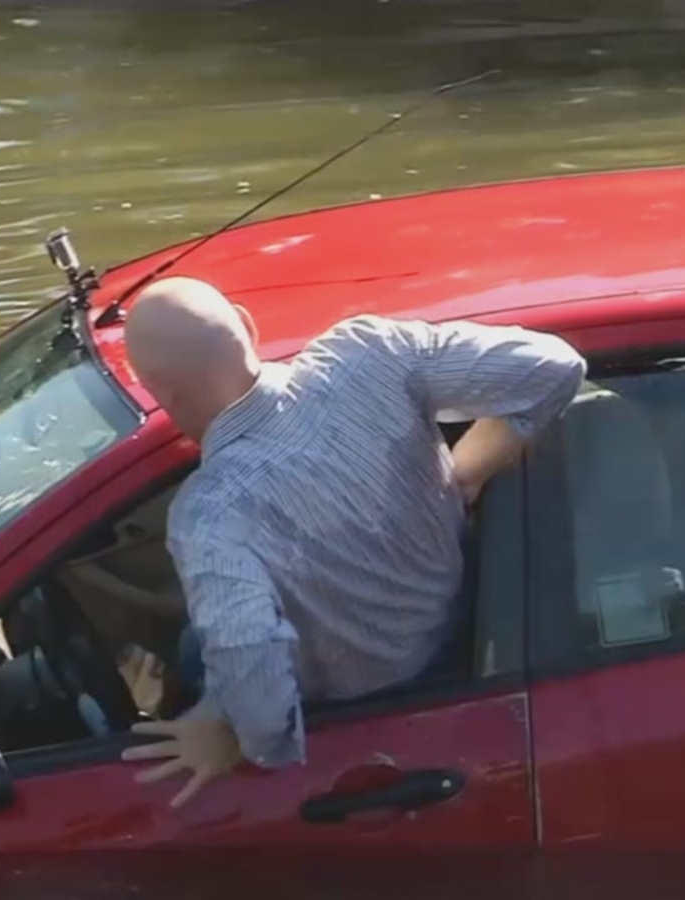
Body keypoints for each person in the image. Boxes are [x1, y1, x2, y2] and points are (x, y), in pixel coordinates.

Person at [116, 276, 587, 807]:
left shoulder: (209, 516)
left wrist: (229, 736)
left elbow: (266, 716)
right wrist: (464, 473)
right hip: (460, 630)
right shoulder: (370, 353)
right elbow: (554, 369)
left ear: (164, 393)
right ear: (247, 325)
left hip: (371, 709)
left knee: (192, 650)